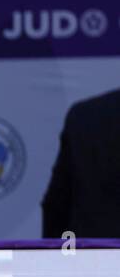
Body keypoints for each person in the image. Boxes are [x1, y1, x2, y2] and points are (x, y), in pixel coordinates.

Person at [42, 88, 120, 239]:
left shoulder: (84, 114)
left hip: (86, 255)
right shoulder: (82, 115)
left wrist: (61, 256)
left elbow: (56, 207)